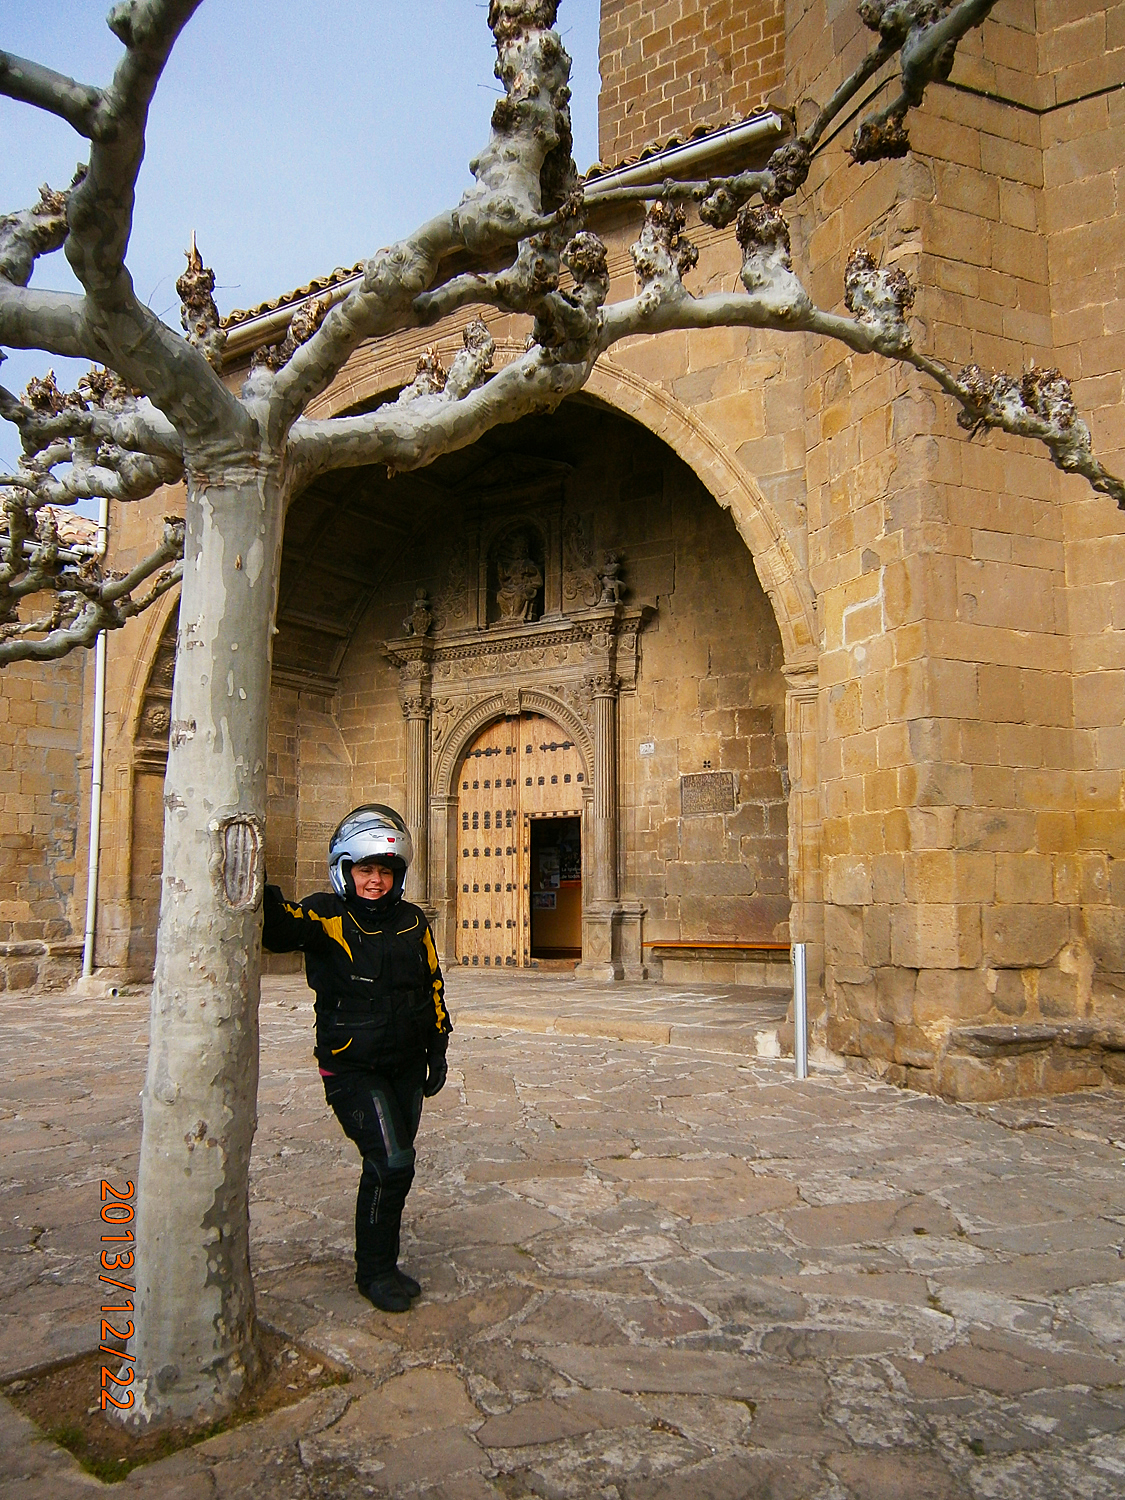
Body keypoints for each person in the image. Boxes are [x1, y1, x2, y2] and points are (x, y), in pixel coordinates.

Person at [262, 804, 451, 1313]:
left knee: (390, 1166)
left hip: (407, 1063)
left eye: (384, 871)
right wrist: (256, 876)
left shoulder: (413, 921)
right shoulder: (326, 915)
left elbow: (432, 983)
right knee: (393, 1162)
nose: (375, 881)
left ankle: (380, 1260)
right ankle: (375, 1272)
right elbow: (278, 929)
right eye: (365, 870)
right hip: (352, 1067)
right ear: (345, 870)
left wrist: (439, 1046)